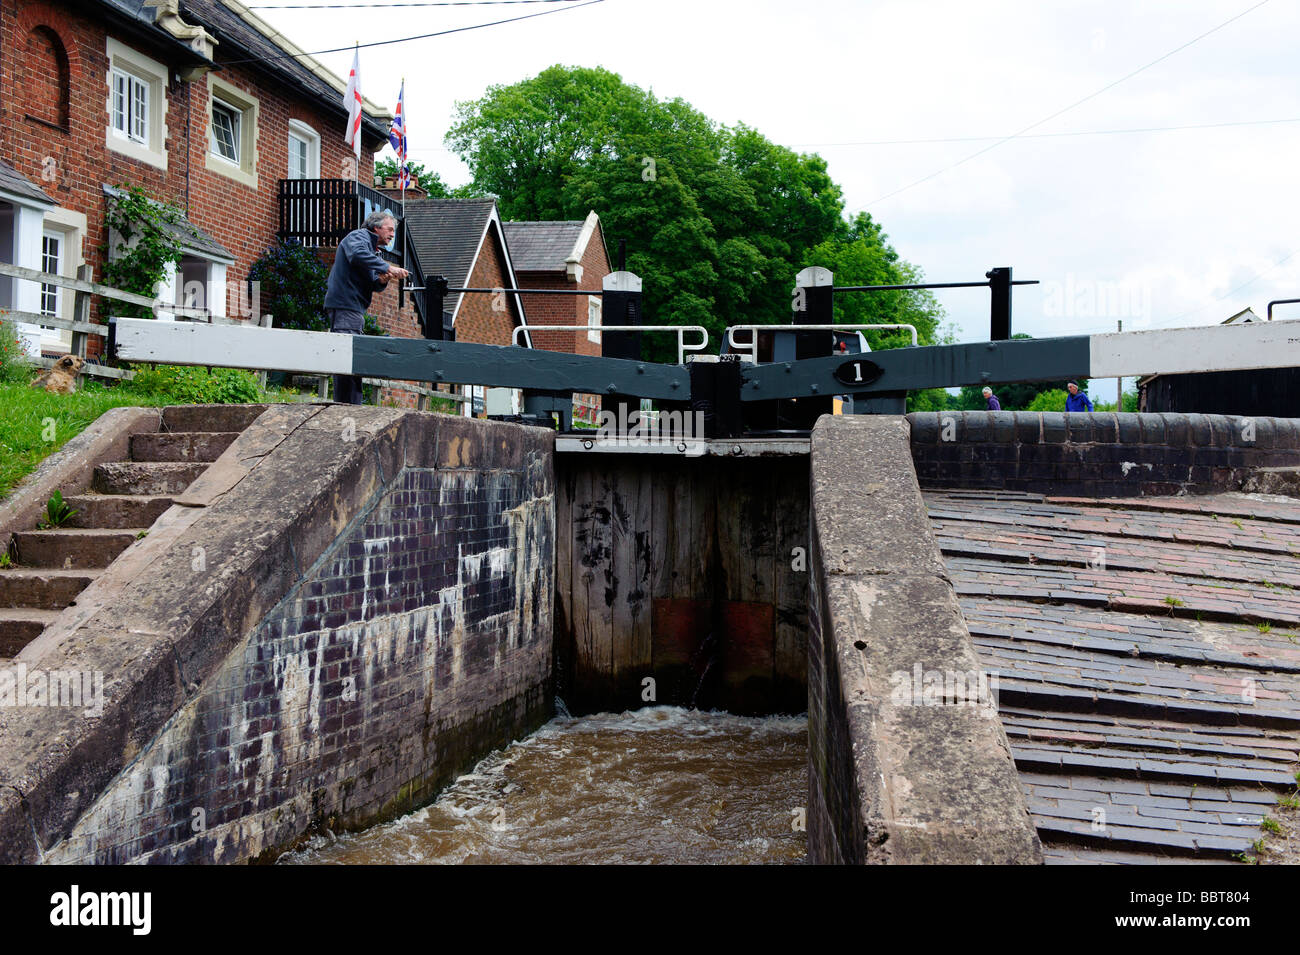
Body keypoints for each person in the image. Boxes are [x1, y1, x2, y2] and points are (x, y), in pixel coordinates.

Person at [324, 210, 409, 404]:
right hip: (345, 306)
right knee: (348, 357)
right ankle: (348, 406)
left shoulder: (372, 251)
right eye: (389, 229)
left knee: (353, 357)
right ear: (376, 227)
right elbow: (356, 255)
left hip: (354, 309)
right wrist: (387, 268)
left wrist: (382, 279)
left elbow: (373, 282)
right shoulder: (358, 237)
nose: (392, 234)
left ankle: (350, 404)